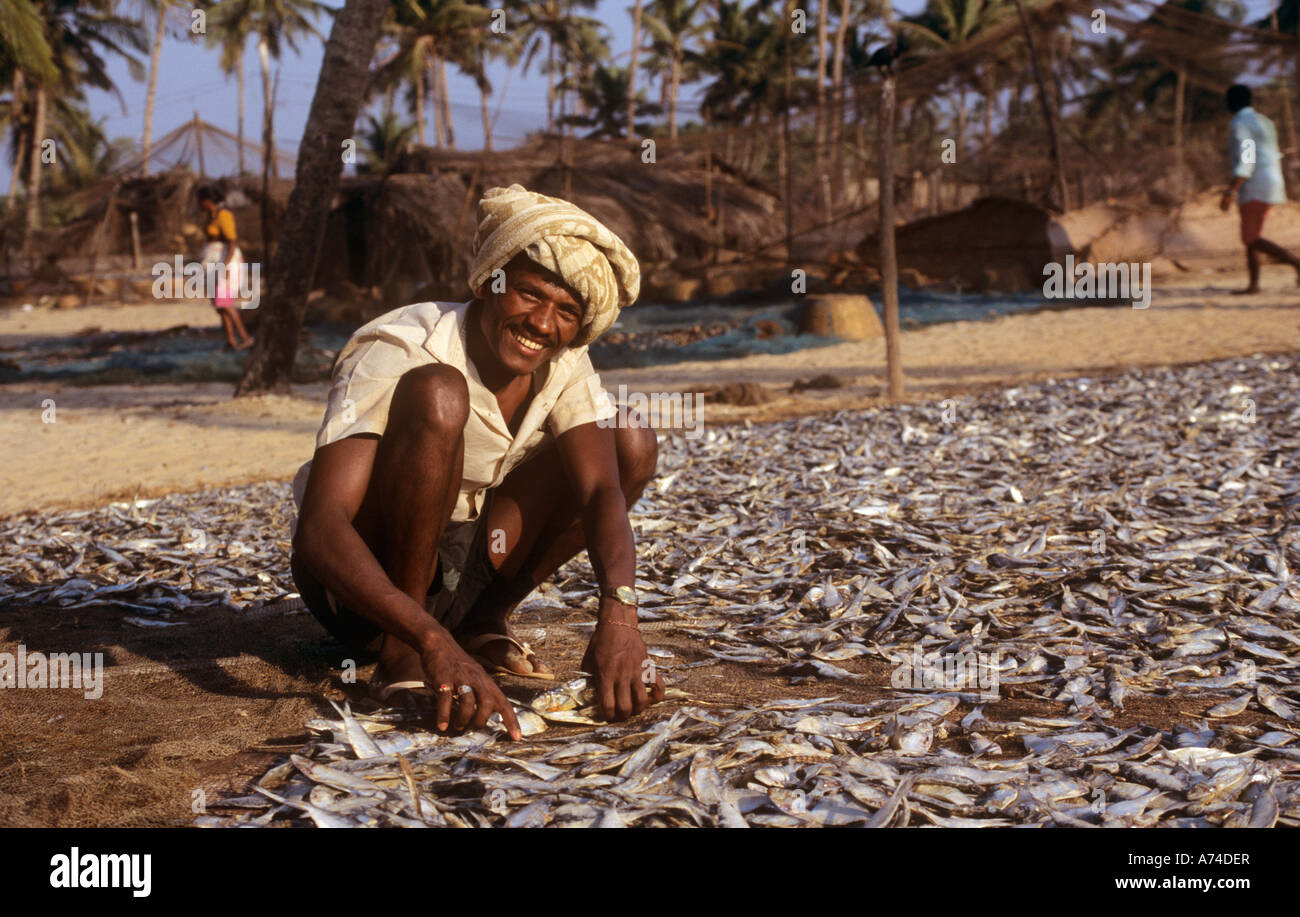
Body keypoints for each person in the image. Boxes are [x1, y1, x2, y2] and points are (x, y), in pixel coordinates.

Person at [289, 184, 665, 740]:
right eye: (530, 295)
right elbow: (320, 531)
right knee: (441, 394)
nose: (543, 323)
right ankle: (402, 651)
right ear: (491, 282)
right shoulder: (403, 343)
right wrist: (426, 638)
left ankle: (481, 622)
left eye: (566, 312)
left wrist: (620, 615)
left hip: (461, 565)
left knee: (630, 439)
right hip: (361, 587)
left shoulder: (565, 362)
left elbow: (600, 492)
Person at [1220, 84, 1300, 294]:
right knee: (1252, 235)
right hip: (1272, 180)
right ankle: (1253, 284)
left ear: (1231, 102)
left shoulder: (1241, 124)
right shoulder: (1265, 121)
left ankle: (1296, 263)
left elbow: (1247, 160)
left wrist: (1231, 191)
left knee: (1250, 237)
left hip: (1254, 183)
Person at [196, 185, 254, 348]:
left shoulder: (224, 215)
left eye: (201, 200)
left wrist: (226, 265)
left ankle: (245, 336)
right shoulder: (211, 216)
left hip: (225, 261)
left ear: (208, 201)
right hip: (214, 261)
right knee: (219, 304)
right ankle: (230, 340)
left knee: (225, 302)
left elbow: (232, 240)